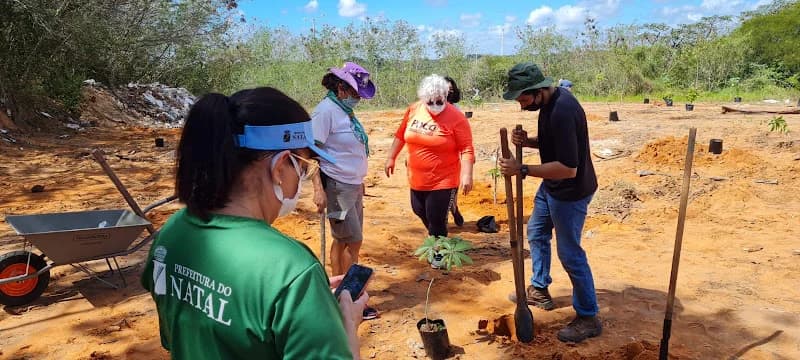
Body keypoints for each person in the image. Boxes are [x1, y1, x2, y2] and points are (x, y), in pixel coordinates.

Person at [141, 87, 368, 359]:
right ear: (281, 166)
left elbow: (176, 333)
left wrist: (307, 304)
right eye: (303, 167)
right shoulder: (291, 268)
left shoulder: (172, 231)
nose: (301, 180)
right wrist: (346, 325)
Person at [500, 63, 600, 343]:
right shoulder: (548, 104)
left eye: (523, 100)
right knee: (536, 232)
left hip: (571, 192)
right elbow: (553, 144)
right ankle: (539, 289)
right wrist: (529, 142)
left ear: (538, 90)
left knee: (570, 254)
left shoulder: (563, 110)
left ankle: (588, 316)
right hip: (552, 186)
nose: (521, 107)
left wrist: (522, 169)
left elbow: (569, 168)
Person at [310, 61, 379, 320]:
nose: (358, 98)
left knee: (343, 240)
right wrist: (318, 189)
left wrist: (359, 180)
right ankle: (348, 297)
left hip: (351, 184)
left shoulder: (342, 110)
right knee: (353, 240)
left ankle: (343, 294)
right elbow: (311, 153)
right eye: (355, 93)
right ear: (341, 88)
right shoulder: (325, 112)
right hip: (337, 185)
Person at [384, 74, 475, 262]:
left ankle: (439, 255)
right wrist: (391, 157)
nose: (435, 105)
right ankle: (434, 236)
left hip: (444, 179)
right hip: (417, 177)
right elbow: (401, 134)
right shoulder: (414, 110)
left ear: (445, 95)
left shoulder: (456, 118)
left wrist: (467, 175)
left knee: (436, 216)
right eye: (430, 101)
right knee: (418, 209)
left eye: (439, 100)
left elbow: (466, 148)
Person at [443, 76, 465, 227]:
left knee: (451, 189)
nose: (448, 93)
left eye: (451, 90)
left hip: (451, 157)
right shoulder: (428, 109)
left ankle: (452, 208)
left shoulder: (456, 111)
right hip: (432, 159)